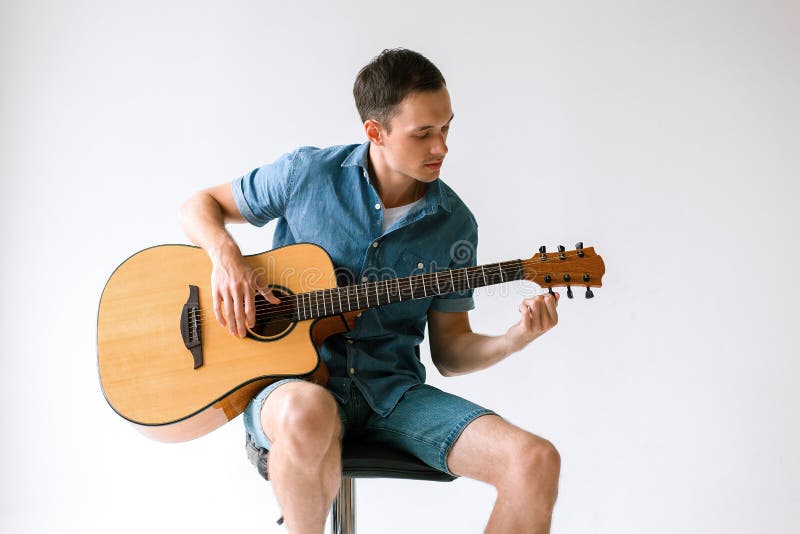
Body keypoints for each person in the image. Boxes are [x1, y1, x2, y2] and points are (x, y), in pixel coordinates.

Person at [179, 48, 561, 534]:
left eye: (445, 128)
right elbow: (198, 205)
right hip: (291, 386)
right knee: (307, 410)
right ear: (375, 132)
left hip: (393, 393)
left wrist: (516, 337)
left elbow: (450, 352)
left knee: (534, 460)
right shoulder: (307, 174)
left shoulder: (455, 224)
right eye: (422, 133)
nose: (440, 146)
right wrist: (227, 260)